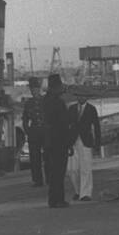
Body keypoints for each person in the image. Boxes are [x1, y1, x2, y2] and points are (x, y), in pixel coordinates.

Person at [42, 73, 70, 208]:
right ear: (56, 87)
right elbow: (64, 125)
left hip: (48, 142)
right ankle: (59, 199)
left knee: (52, 173)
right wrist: (68, 143)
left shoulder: (44, 101)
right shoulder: (59, 103)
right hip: (59, 142)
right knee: (59, 172)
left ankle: (53, 199)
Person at [67, 95, 101, 201]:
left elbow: (96, 126)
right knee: (72, 169)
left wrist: (97, 144)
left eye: (83, 95)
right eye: (79, 95)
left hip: (86, 141)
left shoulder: (91, 109)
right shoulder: (71, 108)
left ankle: (85, 193)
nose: (81, 97)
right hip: (73, 141)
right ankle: (78, 191)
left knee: (85, 168)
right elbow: (66, 125)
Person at [21, 76, 46, 187]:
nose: (33, 91)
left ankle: (49, 177)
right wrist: (28, 131)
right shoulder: (28, 103)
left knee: (48, 157)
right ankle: (37, 180)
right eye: (32, 89)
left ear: (39, 89)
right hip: (34, 132)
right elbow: (25, 119)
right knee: (35, 158)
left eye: (35, 88)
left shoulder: (45, 101)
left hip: (45, 131)